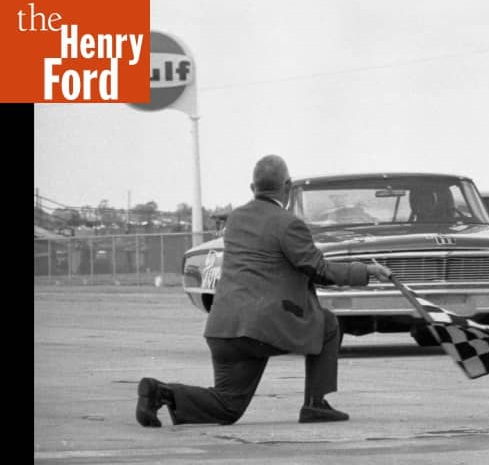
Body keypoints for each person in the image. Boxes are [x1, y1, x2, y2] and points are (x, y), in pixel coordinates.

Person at [135, 155, 391, 427]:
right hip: (260, 329)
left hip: (223, 328)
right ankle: (316, 404)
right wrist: (365, 271)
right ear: (288, 186)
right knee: (327, 323)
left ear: (252, 187)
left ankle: (160, 393)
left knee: (227, 406)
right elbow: (319, 270)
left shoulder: (235, 220)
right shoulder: (289, 223)